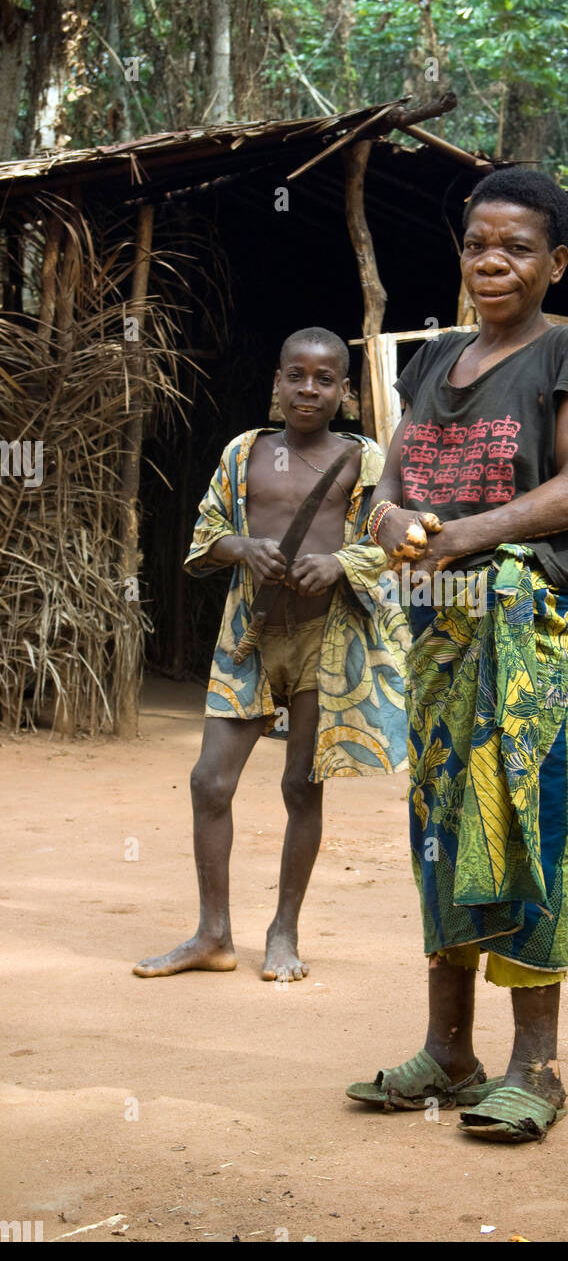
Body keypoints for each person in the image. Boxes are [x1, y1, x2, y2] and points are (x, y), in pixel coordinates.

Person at [347, 170, 568, 1140]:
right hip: (437, 638)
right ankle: (449, 1052)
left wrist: (469, 534)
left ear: (553, 261)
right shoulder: (431, 364)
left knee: (526, 833)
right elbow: (391, 480)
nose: (490, 263)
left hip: (527, 636)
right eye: (475, 245)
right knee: (438, 831)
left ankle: (534, 1068)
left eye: (513, 247)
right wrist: (387, 518)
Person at [134, 328, 408, 984]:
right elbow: (207, 535)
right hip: (250, 638)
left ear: (345, 393)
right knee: (209, 781)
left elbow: (395, 538)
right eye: (296, 376)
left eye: (323, 379)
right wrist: (242, 549)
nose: (308, 389)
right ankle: (213, 933)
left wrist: (341, 563)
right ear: (277, 385)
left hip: (327, 642)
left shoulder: (366, 460)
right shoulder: (244, 453)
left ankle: (283, 932)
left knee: (300, 786)